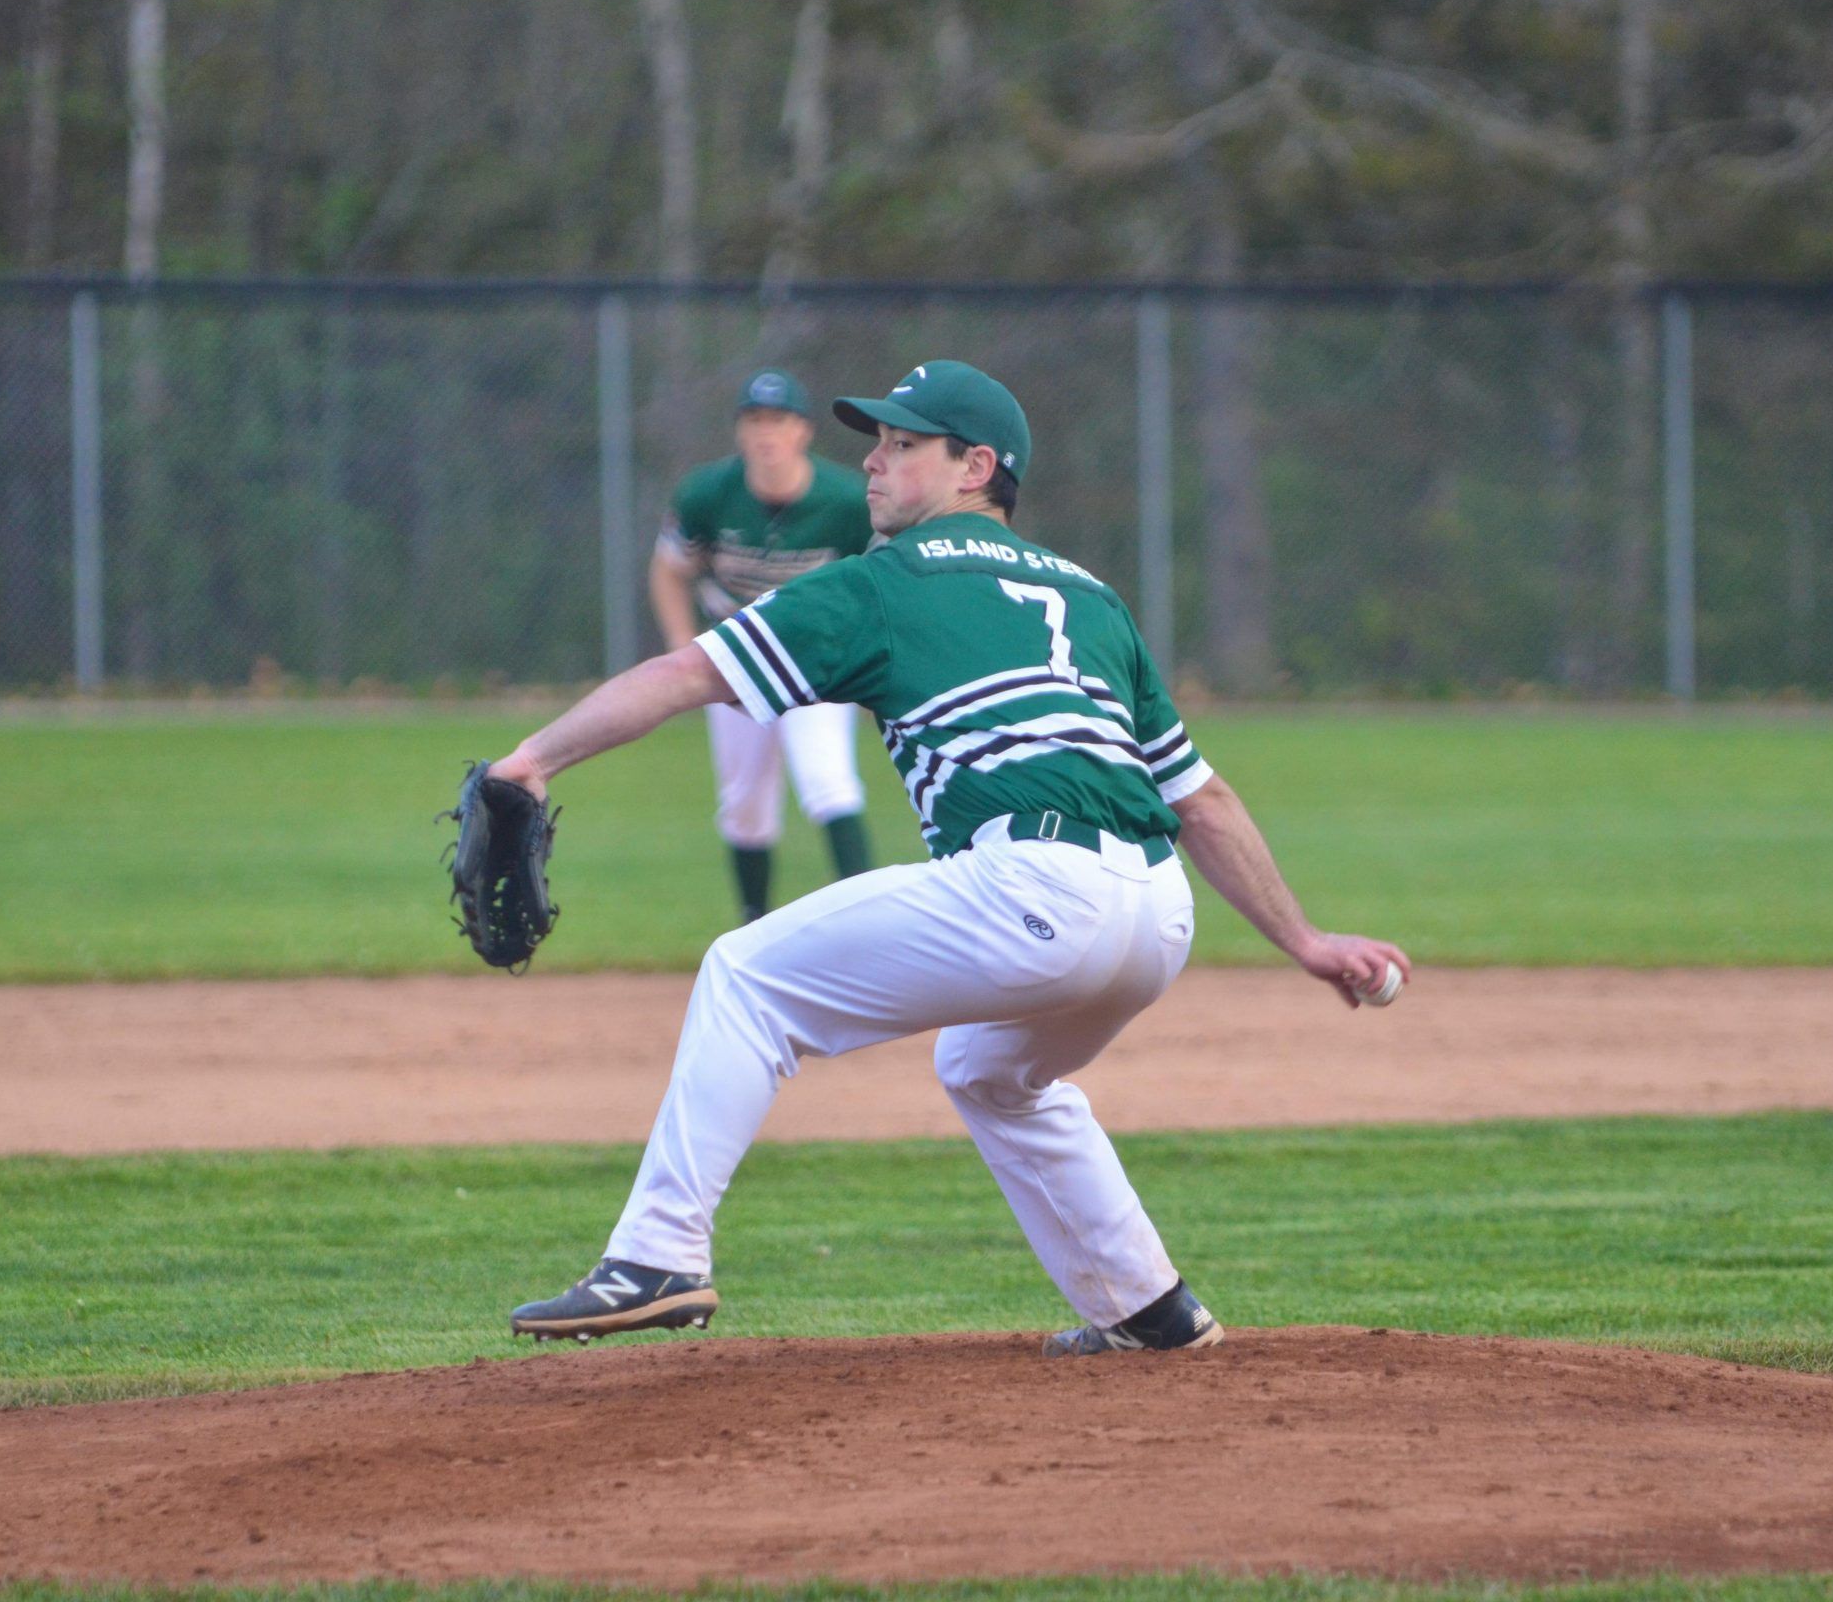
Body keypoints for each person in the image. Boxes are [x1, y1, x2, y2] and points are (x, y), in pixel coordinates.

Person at [496, 360, 1408, 1357]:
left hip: (1034, 889)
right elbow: (1202, 798)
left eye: (901, 443)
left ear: (976, 466)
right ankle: (1149, 1308)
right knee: (991, 1069)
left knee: (743, 975)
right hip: (1157, 914)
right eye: (875, 440)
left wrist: (532, 760)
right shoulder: (1094, 597)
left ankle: (658, 1254)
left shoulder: (883, 582)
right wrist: (1306, 941)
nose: (872, 460)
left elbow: (684, 674)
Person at [650, 369, 877, 923]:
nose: (765, 433)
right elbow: (668, 569)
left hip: (816, 658)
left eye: (779, 419)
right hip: (736, 656)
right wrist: (683, 646)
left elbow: (879, 581)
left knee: (828, 782)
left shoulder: (846, 500)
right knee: (745, 804)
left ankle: (873, 922)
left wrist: (867, 657)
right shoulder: (708, 493)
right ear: (739, 432)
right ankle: (754, 923)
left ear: (803, 431)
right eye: (754, 420)